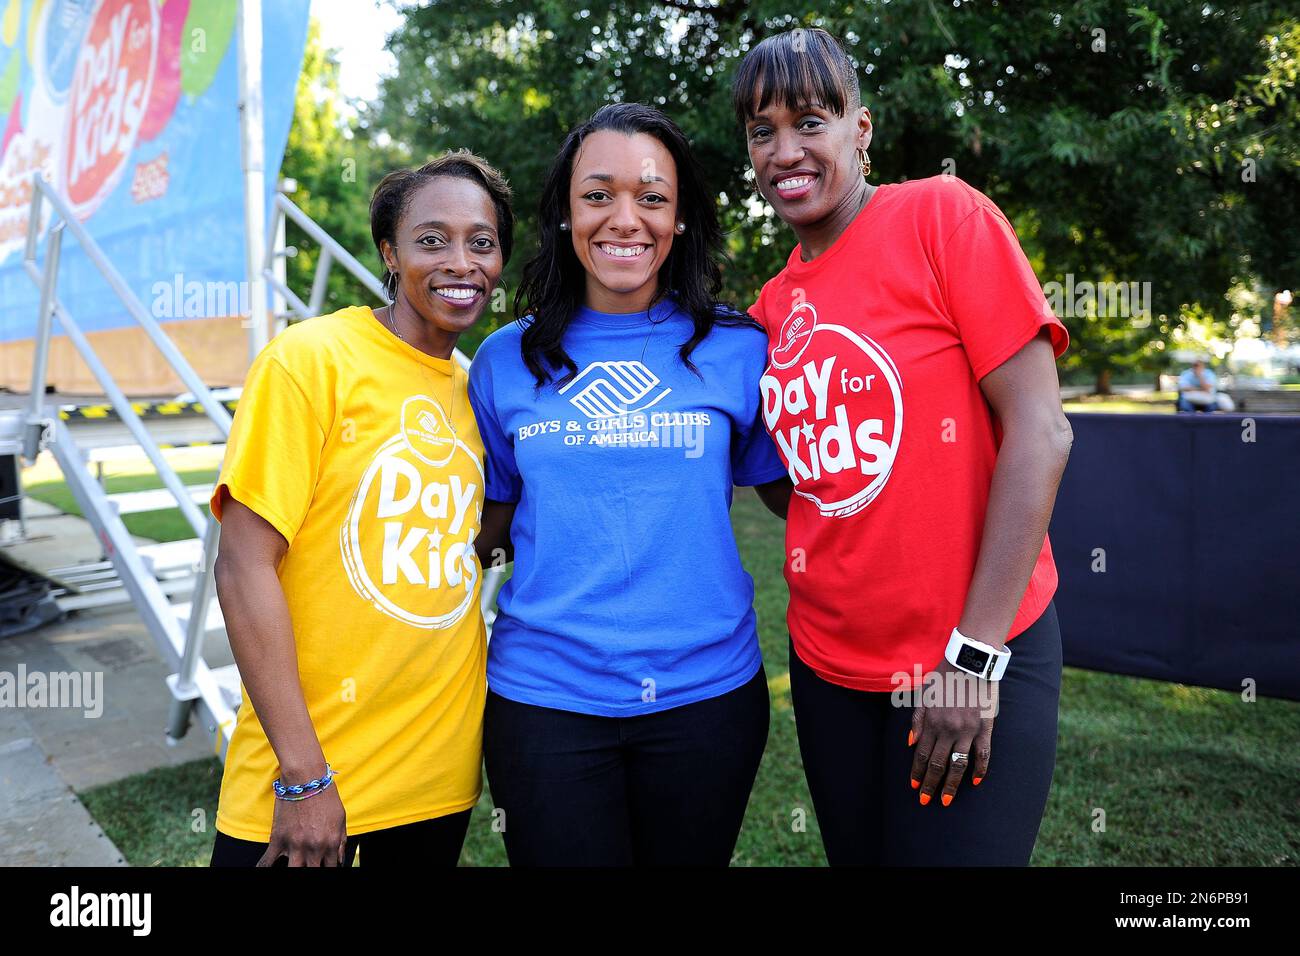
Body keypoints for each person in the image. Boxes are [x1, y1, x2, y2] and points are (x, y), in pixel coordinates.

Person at [733, 28, 1073, 866]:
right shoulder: (770, 310)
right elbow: (799, 484)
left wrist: (973, 660)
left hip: (972, 656)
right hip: (829, 670)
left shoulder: (940, 216)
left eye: (810, 120)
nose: (786, 151)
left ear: (862, 129)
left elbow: (1041, 428)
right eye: (761, 130)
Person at [467, 103, 790, 866]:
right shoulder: (504, 361)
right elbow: (484, 529)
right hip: (545, 704)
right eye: (597, 194)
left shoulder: (739, 348)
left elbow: (806, 498)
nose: (625, 218)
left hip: (708, 699)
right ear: (564, 214)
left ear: (680, 219)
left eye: (651, 197)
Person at [207, 150, 514, 867]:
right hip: (306, 778)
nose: (459, 261)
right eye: (431, 240)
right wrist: (303, 774)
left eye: (482, 241)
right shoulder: (312, 359)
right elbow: (243, 565)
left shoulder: (477, 393)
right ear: (390, 252)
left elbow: (475, 547)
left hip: (436, 777)